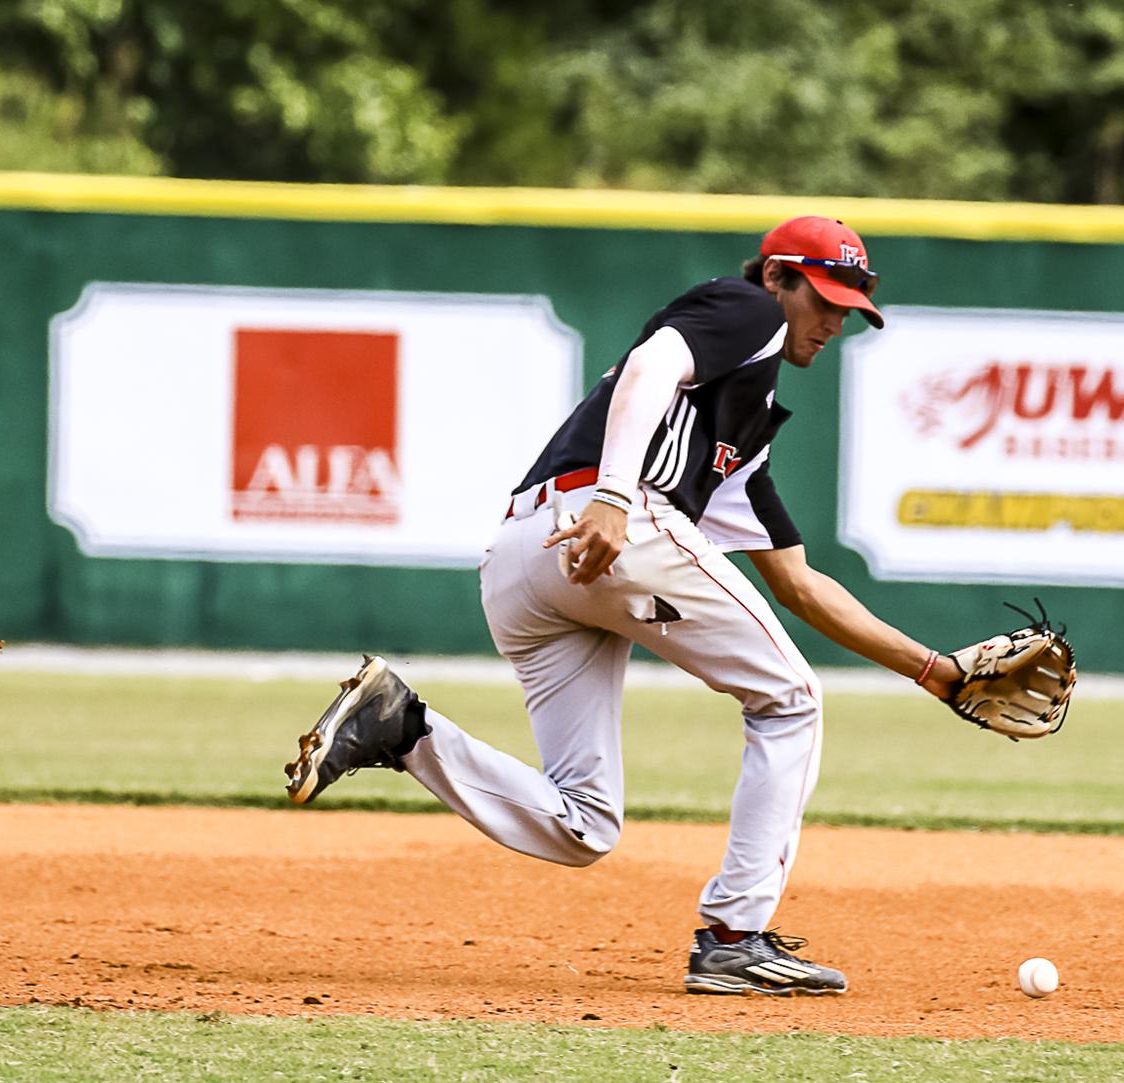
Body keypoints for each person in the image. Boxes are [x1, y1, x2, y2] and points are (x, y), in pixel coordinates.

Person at [284, 215, 964, 997]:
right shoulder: (747, 310)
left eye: (851, 308)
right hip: (608, 524)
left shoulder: (740, 431)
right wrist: (612, 499)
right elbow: (649, 367)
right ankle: (734, 938)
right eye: (825, 298)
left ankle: (401, 727)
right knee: (790, 701)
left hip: (521, 560)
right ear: (777, 277)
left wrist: (935, 671)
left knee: (583, 827)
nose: (834, 321)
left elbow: (802, 585)